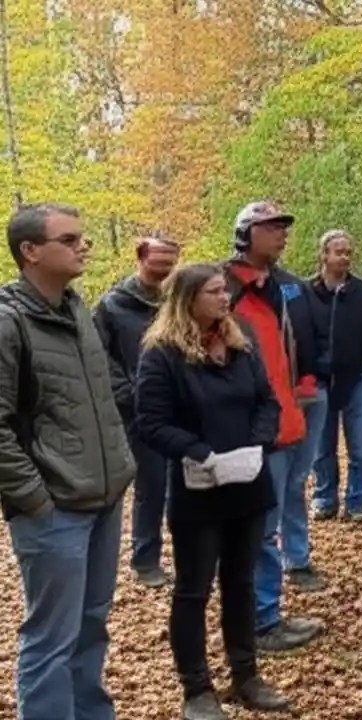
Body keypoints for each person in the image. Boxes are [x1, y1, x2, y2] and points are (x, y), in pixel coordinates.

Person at [134, 264, 289, 719]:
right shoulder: (161, 354)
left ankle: (246, 674)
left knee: (240, 583)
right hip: (198, 489)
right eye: (215, 291)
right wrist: (202, 454)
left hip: (248, 484)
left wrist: (258, 443)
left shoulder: (239, 343)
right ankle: (196, 688)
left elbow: (268, 401)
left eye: (226, 290)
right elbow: (152, 423)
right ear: (188, 299)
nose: (226, 298)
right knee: (193, 589)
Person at [0, 203, 136, 719]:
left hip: (103, 497)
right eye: (69, 239)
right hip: (53, 508)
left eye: (84, 238)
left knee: (92, 623)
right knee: (50, 637)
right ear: (30, 251)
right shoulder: (9, 322)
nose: (83, 246)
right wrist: (34, 497)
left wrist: (121, 466)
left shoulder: (78, 309)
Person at [222, 200, 326, 650]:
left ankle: (266, 615)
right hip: (251, 435)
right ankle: (258, 624)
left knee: (270, 527)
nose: (282, 234)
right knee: (257, 532)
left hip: (283, 423)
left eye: (284, 226)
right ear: (247, 233)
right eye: (272, 227)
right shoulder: (224, 289)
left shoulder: (277, 288)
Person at [94, 234, 181, 587]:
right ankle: (146, 561)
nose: (165, 267)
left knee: (188, 483)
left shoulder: (178, 300)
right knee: (152, 484)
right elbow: (100, 355)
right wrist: (129, 393)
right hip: (139, 411)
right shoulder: (113, 304)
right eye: (159, 259)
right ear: (141, 257)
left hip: (182, 406)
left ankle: (192, 553)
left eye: (171, 260)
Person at [310, 230, 362, 522]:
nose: (344, 257)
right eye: (338, 251)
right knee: (321, 445)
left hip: (356, 376)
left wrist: (358, 362)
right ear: (324, 254)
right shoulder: (307, 290)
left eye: (349, 252)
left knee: (360, 446)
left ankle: (357, 501)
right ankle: (325, 498)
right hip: (319, 377)